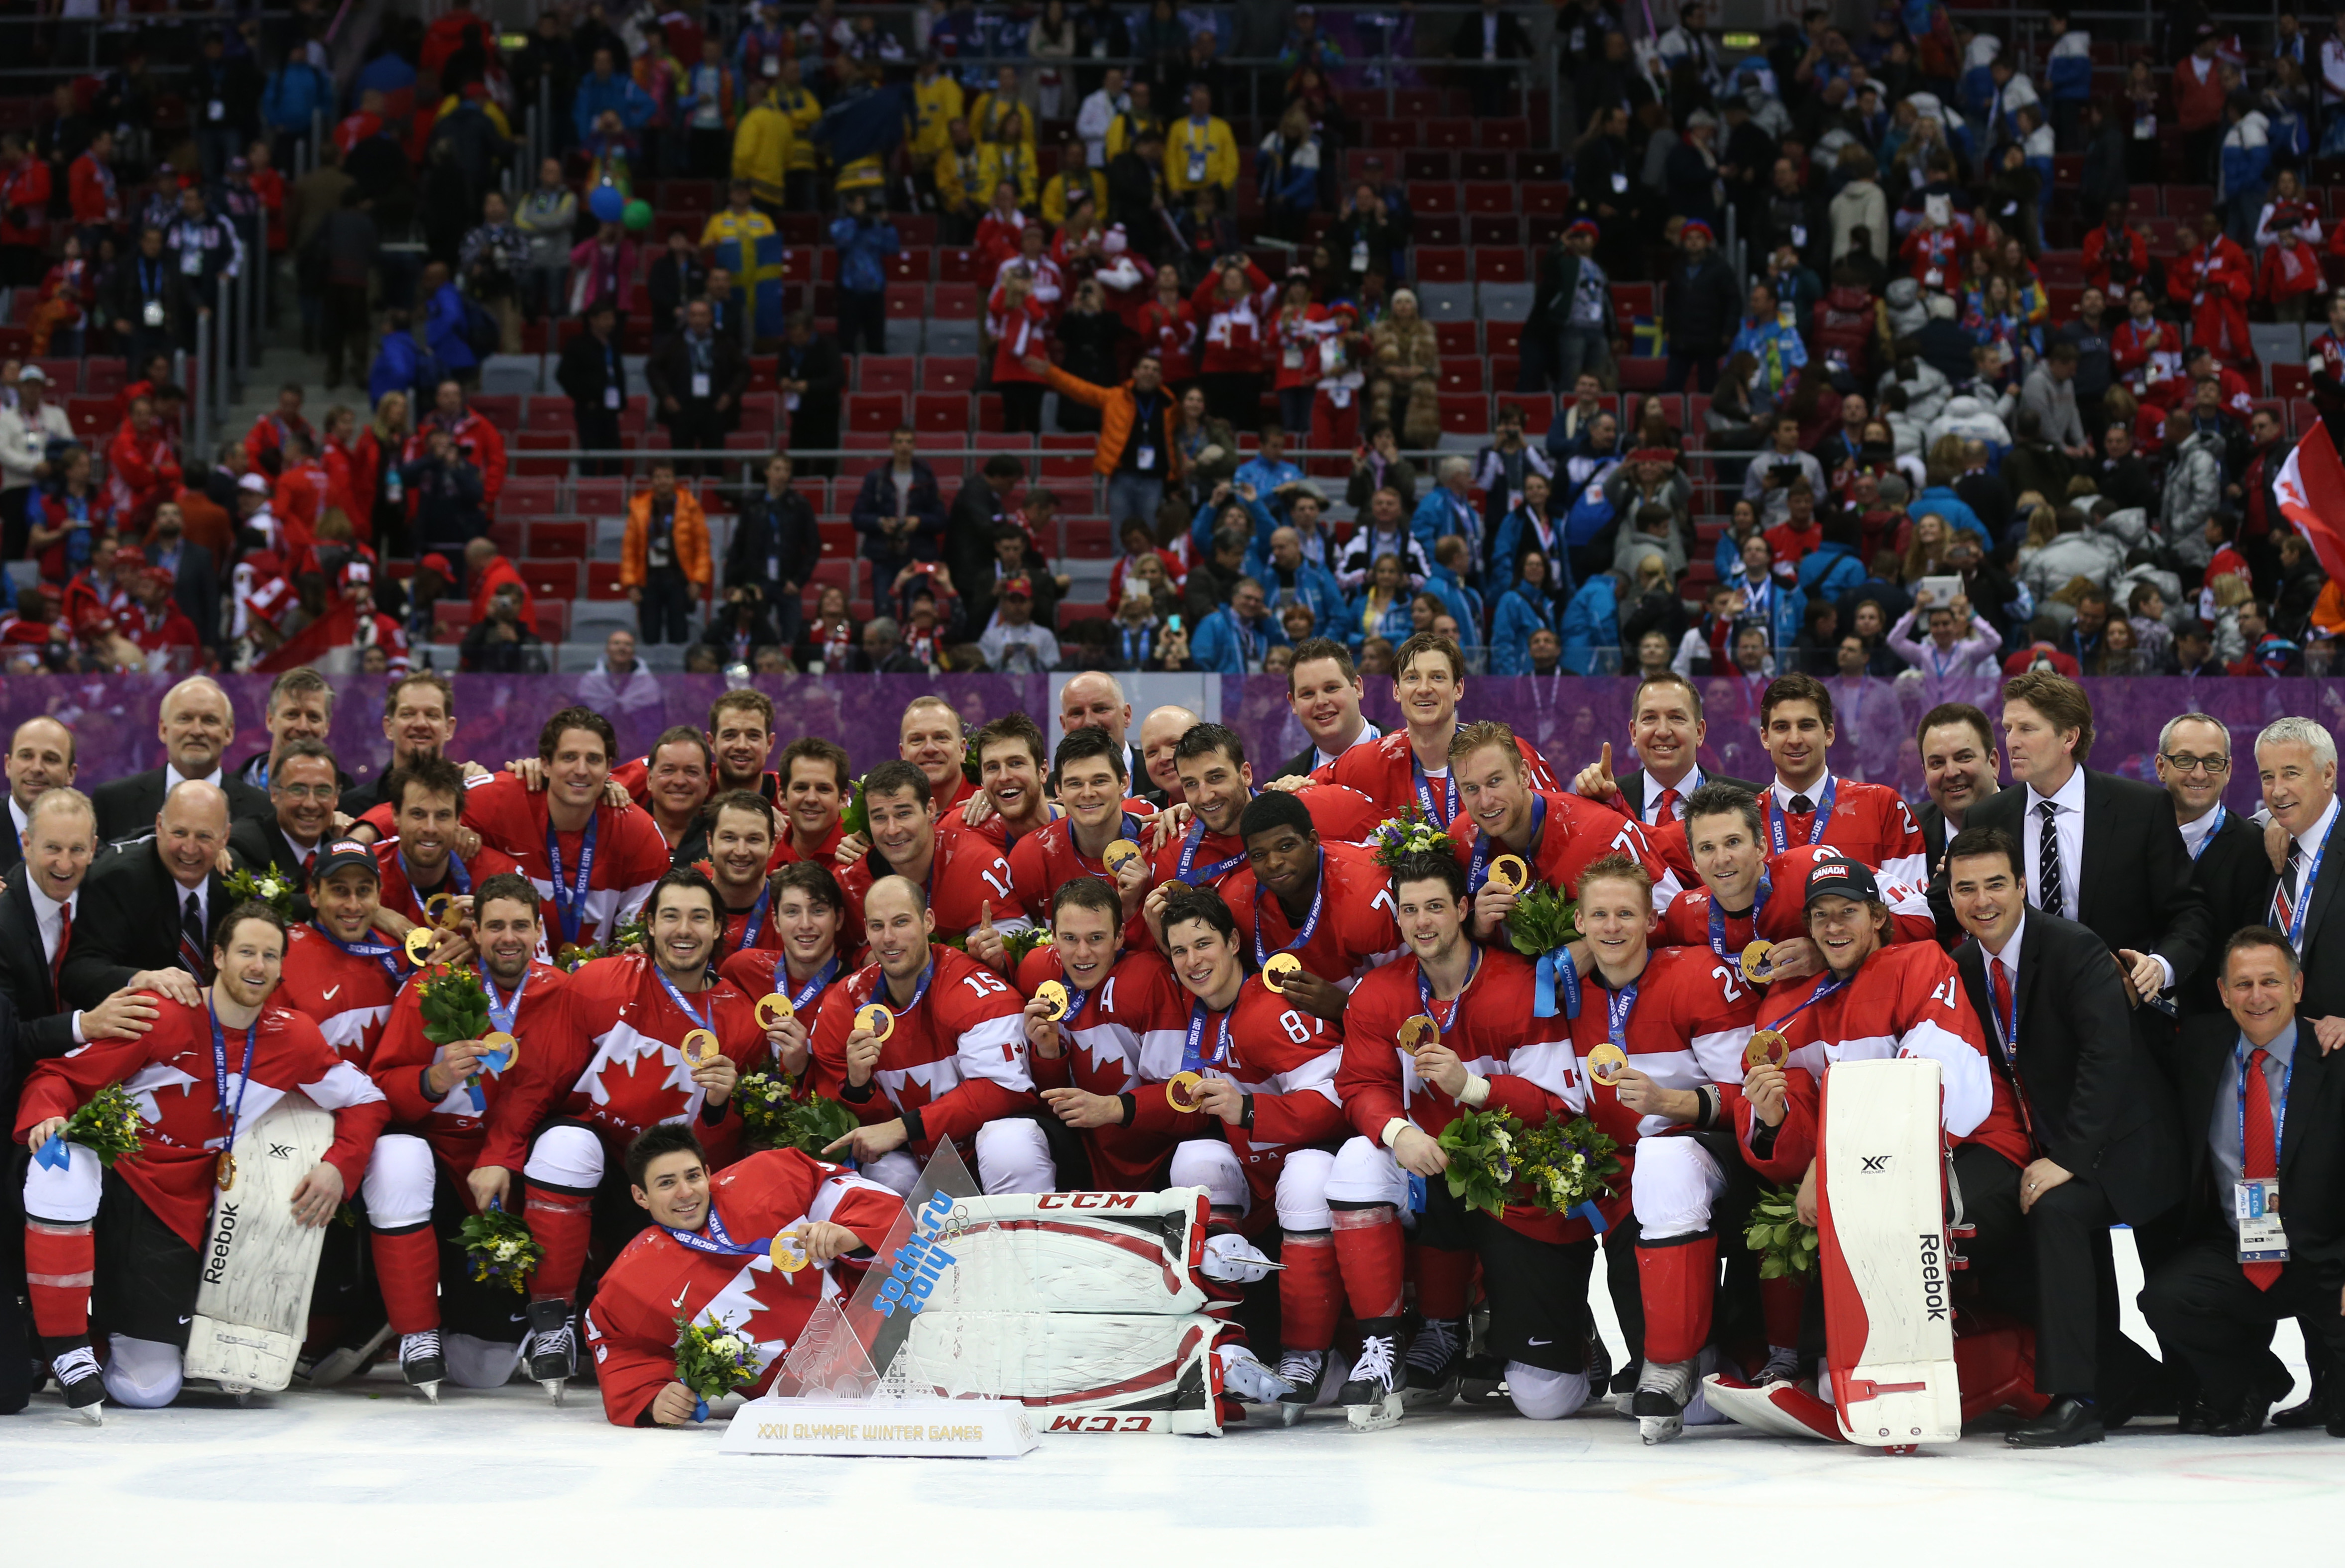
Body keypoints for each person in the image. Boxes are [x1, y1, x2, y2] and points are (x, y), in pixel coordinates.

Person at [17, 899, 387, 1418]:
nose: (258, 966)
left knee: (151, 1389)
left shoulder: (295, 1037)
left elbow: (367, 1099)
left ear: (283, 966)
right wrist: (48, 1115)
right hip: (127, 1190)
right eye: (246, 952)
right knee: (60, 1164)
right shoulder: (164, 1016)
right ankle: (61, 1344)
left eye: (271, 955)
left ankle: (109, 1338)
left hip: (194, 1211)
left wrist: (338, 1167)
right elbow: (57, 1075)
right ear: (217, 956)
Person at [1943, 825, 2183, 1447]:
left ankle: (2077, 1400)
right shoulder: (1964, 964)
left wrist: (2067, 1161)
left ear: (2022, 886)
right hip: (2048, 1147)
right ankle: (2134, 1381)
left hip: (2122, 1148)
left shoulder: (2074, 948)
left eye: (1996, 884)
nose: (1983, 901)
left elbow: (2109, 1061)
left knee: (2052, 1212)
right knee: (1994, 1238)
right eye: (1966, 888)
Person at [2142, 926, 2345, 1439]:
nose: (2258, 997)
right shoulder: (2200, 1047)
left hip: (2329, 1259)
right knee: (2168, 1298)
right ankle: (2256, 1380)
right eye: (2244, 984)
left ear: (2298, 988)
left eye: (2271, 982)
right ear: (2223, 992)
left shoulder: (2336, 1056)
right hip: (2241, 1248)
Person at [581, 1124, 900, 1427]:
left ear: (708, 1174)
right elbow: (618, 1346)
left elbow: (870, 1201)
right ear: (641, 1196)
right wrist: (651, 1397)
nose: (685, 1192)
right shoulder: (631, 1281)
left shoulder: (770, 1176)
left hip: (891, 1328)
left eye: (693, 1176)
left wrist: (853, 1237)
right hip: (810, 1405)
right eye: (666, 1183)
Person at [1956, 671, 2213, 1011]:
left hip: (2122, 1013)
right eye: (2008, 729)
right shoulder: (1986, 817)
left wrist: (2161, 967)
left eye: (2027, 729)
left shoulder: (2141, 808)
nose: (2011, 741)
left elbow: (2190, 913)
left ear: (2069, 738)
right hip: (2024, 1016)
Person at [805, 871, 1048, 1194]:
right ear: (866, 930)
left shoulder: (969, 985)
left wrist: (903, 1128)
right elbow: (865, 1131)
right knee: (883, 1170)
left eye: (901, 922)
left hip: (989, 1151)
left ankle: (1026, 1240)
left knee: (1008, 1144)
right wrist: (858, 1087)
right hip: (926, 1162)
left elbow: (1004, 1090)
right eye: (878, 926)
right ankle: (924, 1245)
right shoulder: (846, 1003)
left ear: (928, 921)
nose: (889, 938)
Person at [2156, 714, 2266, 1017]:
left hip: (2216, 1026)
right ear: (2161, 767)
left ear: (2229, 770)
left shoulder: (2255, 848)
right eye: (2186, 760)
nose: (2200, 774)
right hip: (2136, 1024)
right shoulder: (2131, 834)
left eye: (2213, 762)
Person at [88, 676, 271, 842]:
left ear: (229, 733)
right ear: (163, 730)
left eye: (210, 721)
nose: (197, 731)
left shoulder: (262, 809)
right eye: (185, 719)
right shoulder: (114, 801)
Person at [1570, 672, 1759, 826]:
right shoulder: (1608, 801)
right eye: (1650, 718)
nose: (1662, 732)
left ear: (1699, 732)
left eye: (1676, 717)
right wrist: (1589, 804)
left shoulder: (1751, 802)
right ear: (1634, 734)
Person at [849, 427, 946, 614]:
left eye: (908, 442)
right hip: (884, 555)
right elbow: (858, 517)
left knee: (917, 610)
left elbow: (941, 519)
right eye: (900, 442)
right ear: (891, 445)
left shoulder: (926, 479)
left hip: (917, 554)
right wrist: (880, 523)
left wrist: (919, 522)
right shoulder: (876, 479)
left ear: (914, 445)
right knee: (884, 609)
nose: (904, 446)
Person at [645, 297, 748, 466]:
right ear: (688, 318)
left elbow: (743, 370)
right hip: (682, 409)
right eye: (694, 315)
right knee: (681, 463)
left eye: (703, 315)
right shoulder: (673, 342)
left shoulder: (725, 341)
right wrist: (666, 396)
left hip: (715, 409)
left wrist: (729, 396)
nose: (698, 320)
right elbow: (653, 369)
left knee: (714, 463)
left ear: (711, 318)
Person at [620, 459, 711, 646]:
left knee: (679, 634)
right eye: (658, 477)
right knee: (649, 635)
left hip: (678, 577)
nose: (663, 481)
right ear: (652, 481)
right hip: (649, 578)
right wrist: (631, 585)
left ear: (675, 479)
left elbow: (702, 547)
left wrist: (698, 581)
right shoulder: (639, 507)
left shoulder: (689, 505)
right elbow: (629, 549)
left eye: (667, 476)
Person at [555, 296, 629, 473]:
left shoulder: (613, 345)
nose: (610, 323)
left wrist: (621, 402)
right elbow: (563, 375)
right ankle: (589, 494)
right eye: (605, 318)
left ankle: (612, 492)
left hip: (610, 408)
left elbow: (618, 375)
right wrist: (585, 397)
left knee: (613, 455)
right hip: (590, 409)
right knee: (590, 454)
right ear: (593, 320)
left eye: (612, 318)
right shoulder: (578, 344)